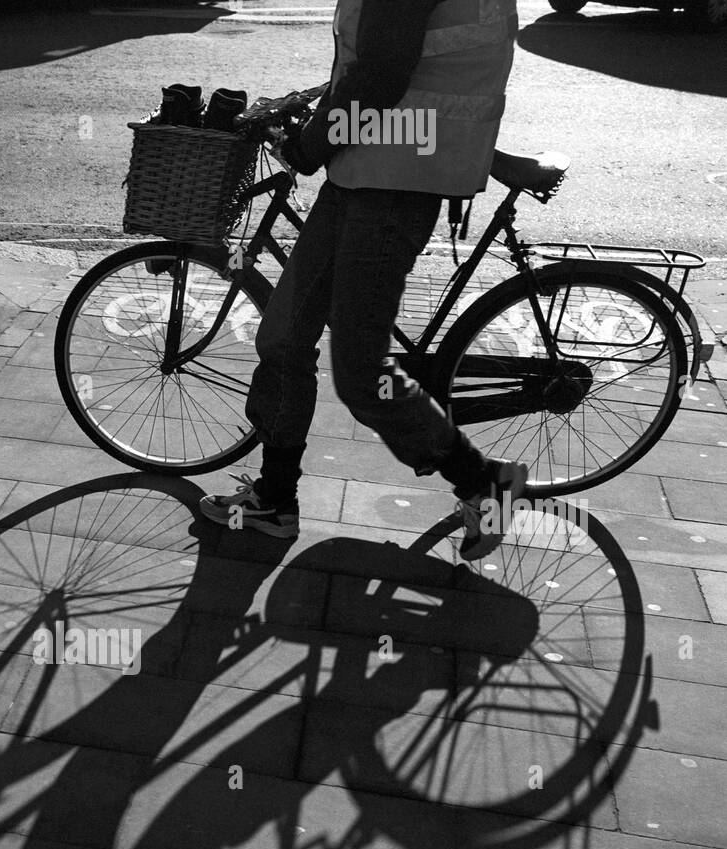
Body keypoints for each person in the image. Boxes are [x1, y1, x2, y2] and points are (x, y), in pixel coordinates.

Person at [199, 0, 526, 563]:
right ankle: (274, 501)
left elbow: (380, 76)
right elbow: (381, 64)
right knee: (283, 338)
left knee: (359, 373)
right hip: (365, 171)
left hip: (398, 185)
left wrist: (306, 147)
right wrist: (318, 113)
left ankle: (482, 482)